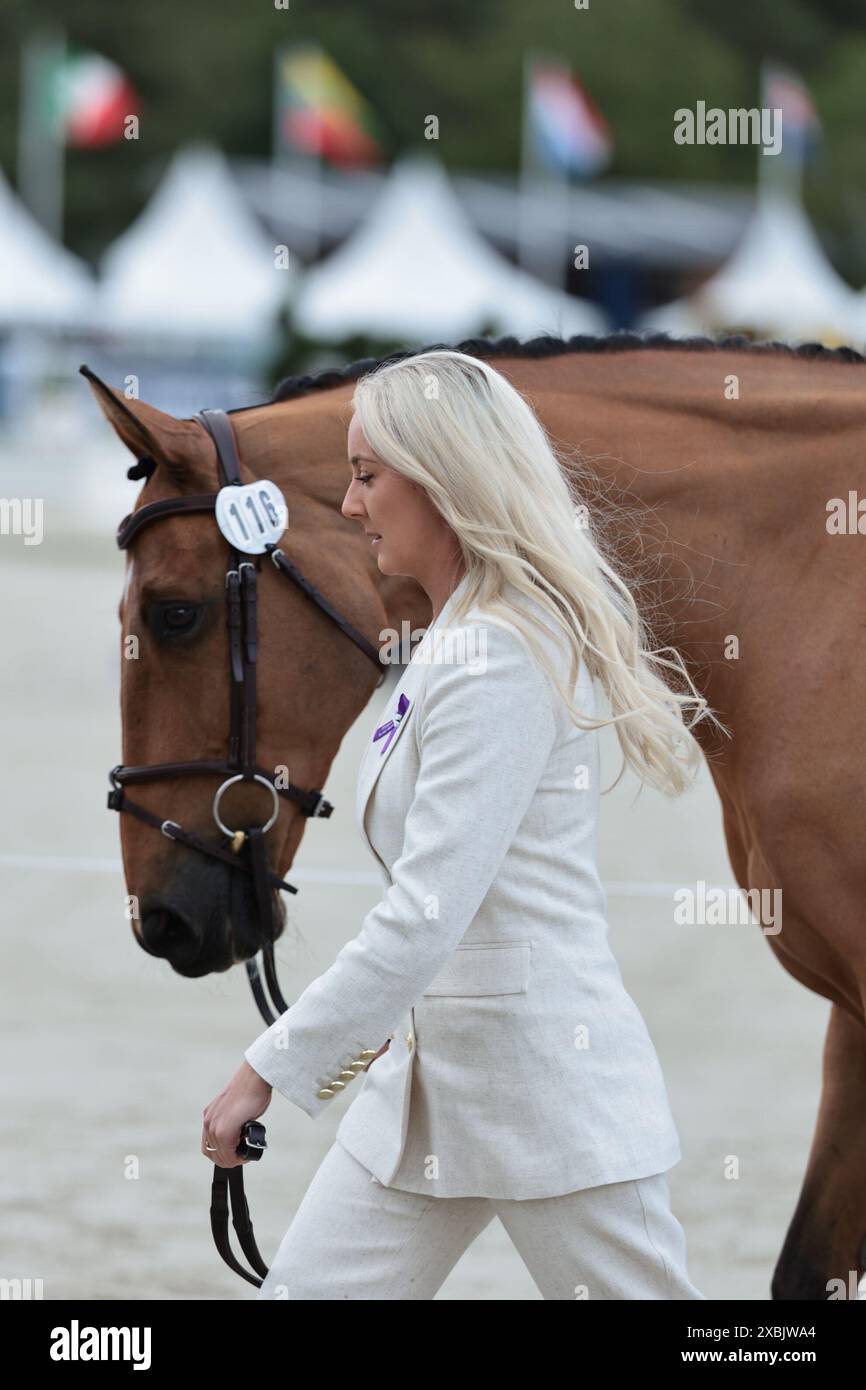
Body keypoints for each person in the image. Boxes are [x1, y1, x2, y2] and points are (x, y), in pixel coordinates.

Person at [202, 348, 721, 1300]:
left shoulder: (497, 652)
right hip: (422, 1102)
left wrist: (268, 1068)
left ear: (443, 482)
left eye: (367, 477)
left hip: (549, 1099)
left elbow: (424, 914)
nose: (350, 505)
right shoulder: (452, 641)